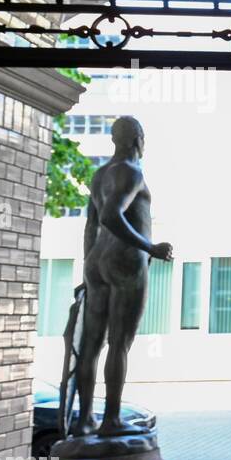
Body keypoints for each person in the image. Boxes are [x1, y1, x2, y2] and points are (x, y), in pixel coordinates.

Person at [73, 116, 173, 437]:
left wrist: (87, 267)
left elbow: (91, 226)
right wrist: (151, 248)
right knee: (119, 343)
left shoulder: (99, 174)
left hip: (97, 260)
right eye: (142, 138)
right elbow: (109, 216)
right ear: (136, 139)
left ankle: (85, 418)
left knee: (90, 344)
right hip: (125, 261)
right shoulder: (132, 172)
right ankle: (111, 419)